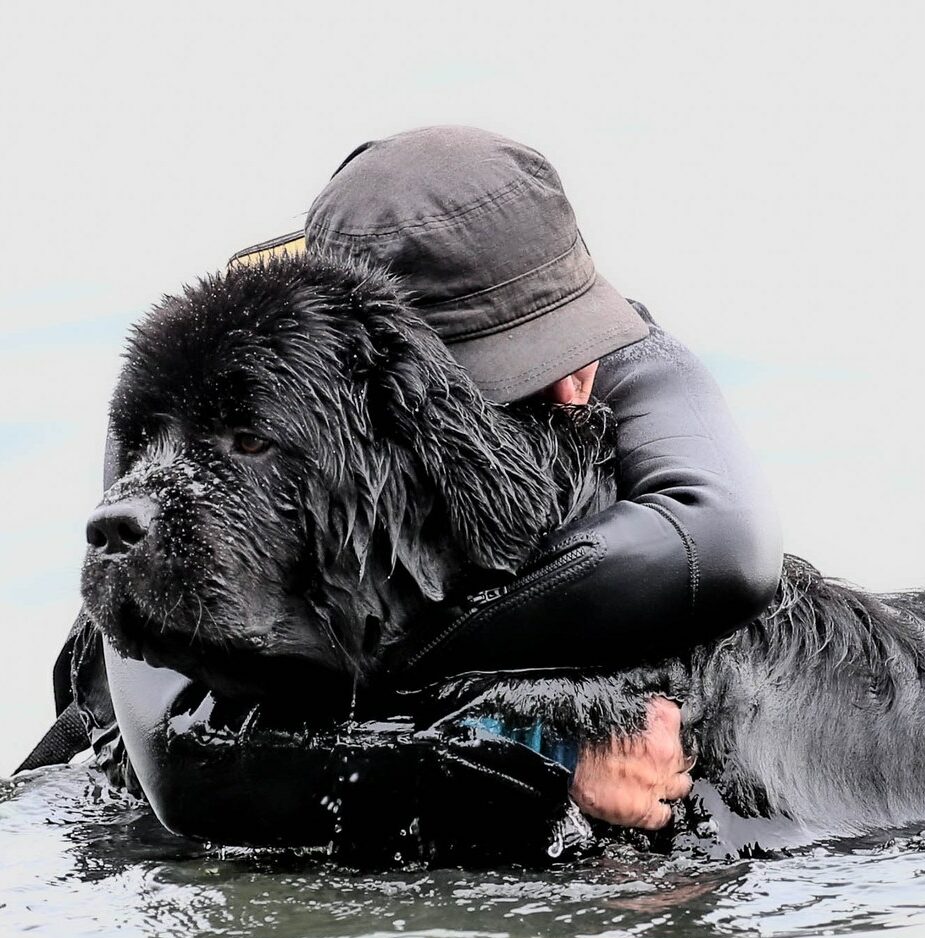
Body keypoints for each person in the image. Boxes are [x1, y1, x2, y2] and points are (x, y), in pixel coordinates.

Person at [54, 125, 783, 842]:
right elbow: (177, 767)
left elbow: (724, 544)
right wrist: (541, 755)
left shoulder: (631, 377)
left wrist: (436, 690)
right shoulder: (198, 366)